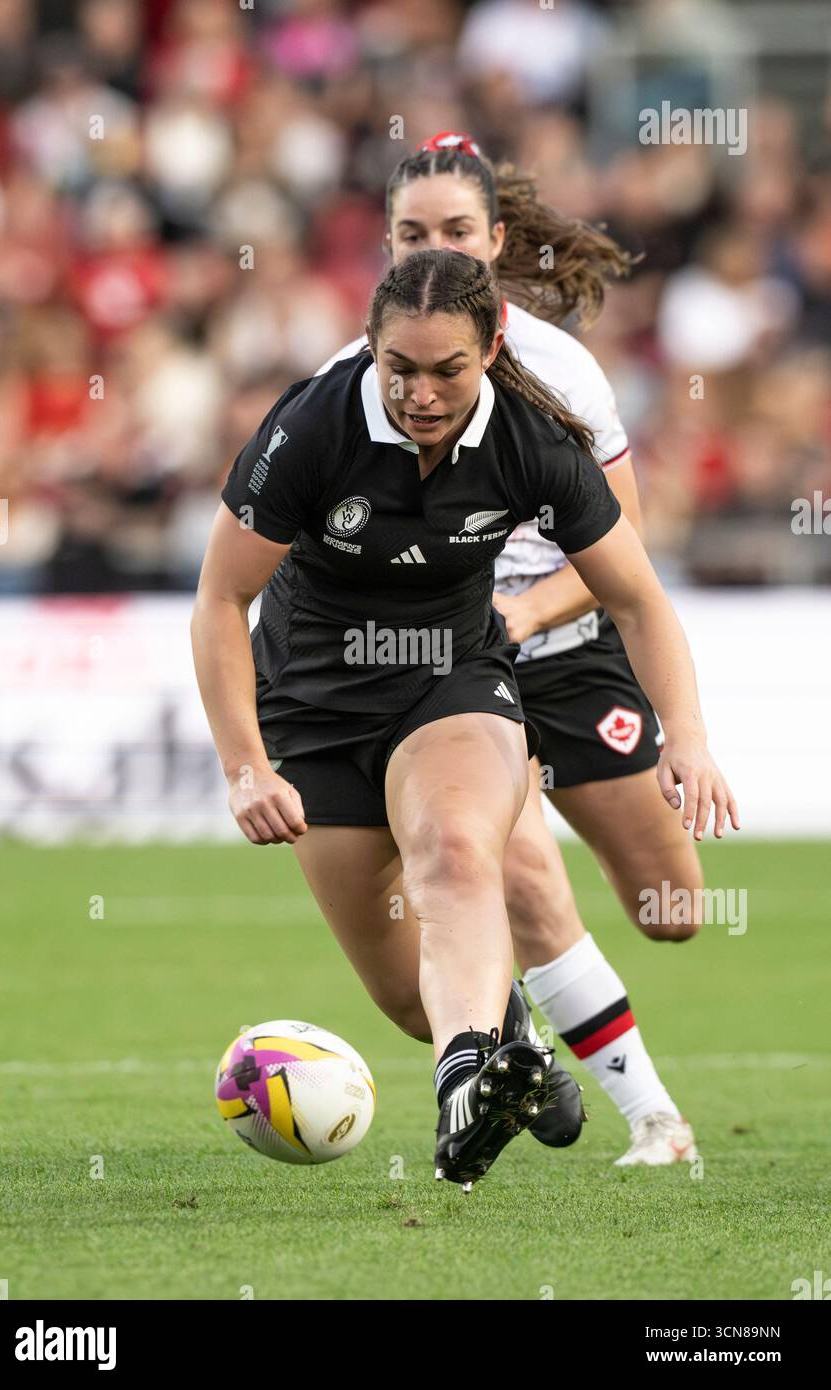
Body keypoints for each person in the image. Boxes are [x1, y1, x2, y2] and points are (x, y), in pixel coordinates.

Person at [191, 249, 738, 1189]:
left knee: (453, 848)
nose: (422, 393)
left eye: (448, 369)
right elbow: (217, 604)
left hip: (450, 677)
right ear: (370, 349)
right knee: (411, 997)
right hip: (311, 704)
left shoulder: (533, 438)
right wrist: (246, 764)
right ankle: (507, 1045)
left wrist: (685, 735)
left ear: (491, 348)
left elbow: (640, 600)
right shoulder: (312, 425)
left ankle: (463, 1088)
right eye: (400, 368)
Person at [317, 131, 715, 1166]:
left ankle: (524, 1022)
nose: (426, 248)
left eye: (452, 230)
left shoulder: (559, 373)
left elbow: (625, 556)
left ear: (494, 239)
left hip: (566, 644)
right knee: (516, 872)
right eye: (409, 233)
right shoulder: (368, 372)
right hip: (446, 665)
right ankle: (644, 1117)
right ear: (386, 243)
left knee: (669, 907)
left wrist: (525, 617)